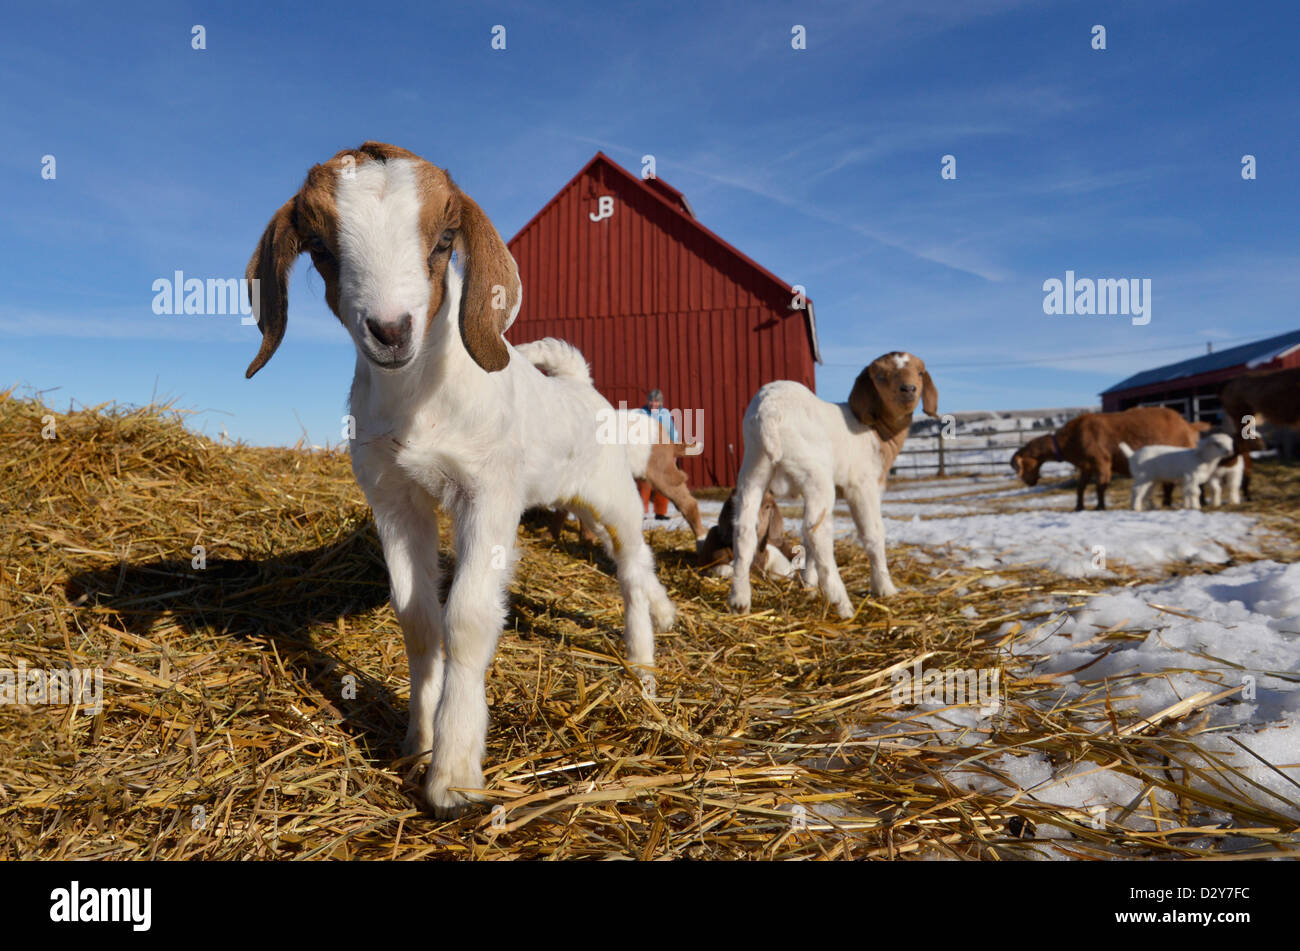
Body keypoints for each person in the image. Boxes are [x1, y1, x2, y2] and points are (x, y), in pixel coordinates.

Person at [637, 389, 678, 521]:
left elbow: (672, 432)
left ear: (661, 402)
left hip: (663, 452)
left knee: (662, 483)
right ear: (647, 401)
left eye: (656, 401)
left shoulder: (665, 414)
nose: (653, 404)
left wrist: (674, 450)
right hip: (646, 451)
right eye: (651, 400)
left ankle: (660, 512)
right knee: (644, 483)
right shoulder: (641, 414)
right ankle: (641, 512)